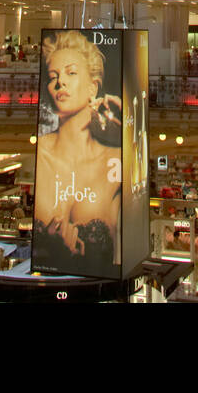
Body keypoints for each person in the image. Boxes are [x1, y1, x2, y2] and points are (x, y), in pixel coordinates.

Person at [33, 31, 121, 274]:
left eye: (71, 73)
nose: (60, 82)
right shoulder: (39, 155)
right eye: (53, 77)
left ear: (93, 88)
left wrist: (130, 121)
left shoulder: (116, 160)